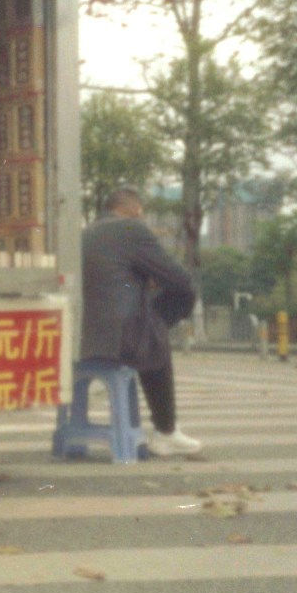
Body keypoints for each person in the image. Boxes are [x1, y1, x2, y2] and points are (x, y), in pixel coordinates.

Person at [81, 188, 202, 456]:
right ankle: (166, 431)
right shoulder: (131, 229)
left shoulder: (87, 232)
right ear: (135, 210)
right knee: (167, 318)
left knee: (151, 330)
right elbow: (179, 278)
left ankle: (156, 330)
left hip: (84, 336)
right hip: (119, 337)